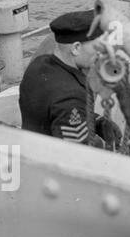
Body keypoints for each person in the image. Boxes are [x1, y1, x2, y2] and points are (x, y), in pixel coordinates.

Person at [18, 9, 113, 149]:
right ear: (76, 48)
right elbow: (77, 155)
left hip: (31, 147)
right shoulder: (71, 96)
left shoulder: (38, 65)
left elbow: (52, 113)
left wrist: (97, 121)